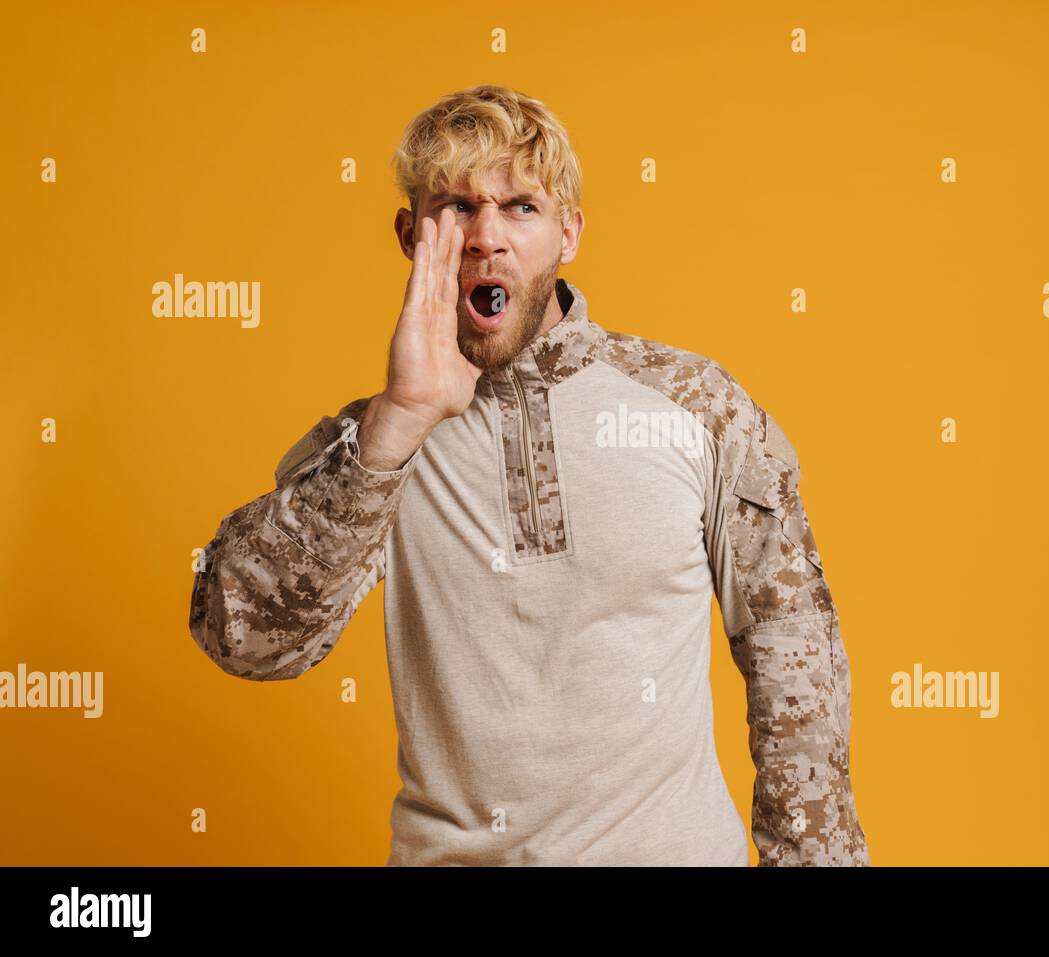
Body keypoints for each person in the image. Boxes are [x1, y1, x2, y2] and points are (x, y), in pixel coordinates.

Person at [187, 84, 869, 867]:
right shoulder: (372, 445)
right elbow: (241, 637)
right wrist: (401, 420)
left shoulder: (697, 406)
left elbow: (794, 652)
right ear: (412, 235)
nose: (486, 238)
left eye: (520, 207)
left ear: (568, 232)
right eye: (454, 207)